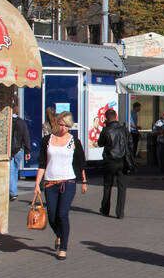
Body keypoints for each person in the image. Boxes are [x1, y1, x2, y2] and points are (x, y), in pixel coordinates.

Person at [35, 113, 87, 260]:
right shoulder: (47, 140)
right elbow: (42, 163)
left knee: (62, 214)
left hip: (68, 182)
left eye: (66, 125)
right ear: (56, 124)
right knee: (52, 216)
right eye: (61, 124)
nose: (63, 128)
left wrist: (83, 181)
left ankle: (63, 247)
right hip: (50, 182)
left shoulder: (73, 141)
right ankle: (59, 234)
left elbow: (80, 162)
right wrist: (37, 184)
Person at [97, 108, 130, 219]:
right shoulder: (124, 129)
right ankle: (120, 212)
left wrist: (103, 129)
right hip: (122, 160)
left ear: (106, 118)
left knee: (107, 186)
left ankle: (105, 209)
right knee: (122, 187)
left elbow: (100, 143)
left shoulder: (106, 130)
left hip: (110, 161)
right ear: (116, 116)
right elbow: (130, 143)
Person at [9, 112, 31, 200]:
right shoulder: (22, 122)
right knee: (15, 171)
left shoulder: (8, 121)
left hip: (10, 149)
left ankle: (13, 191)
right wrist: (27, 151)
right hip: (19, 149)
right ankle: (12, 190)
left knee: (10, 171)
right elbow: (26, 136)